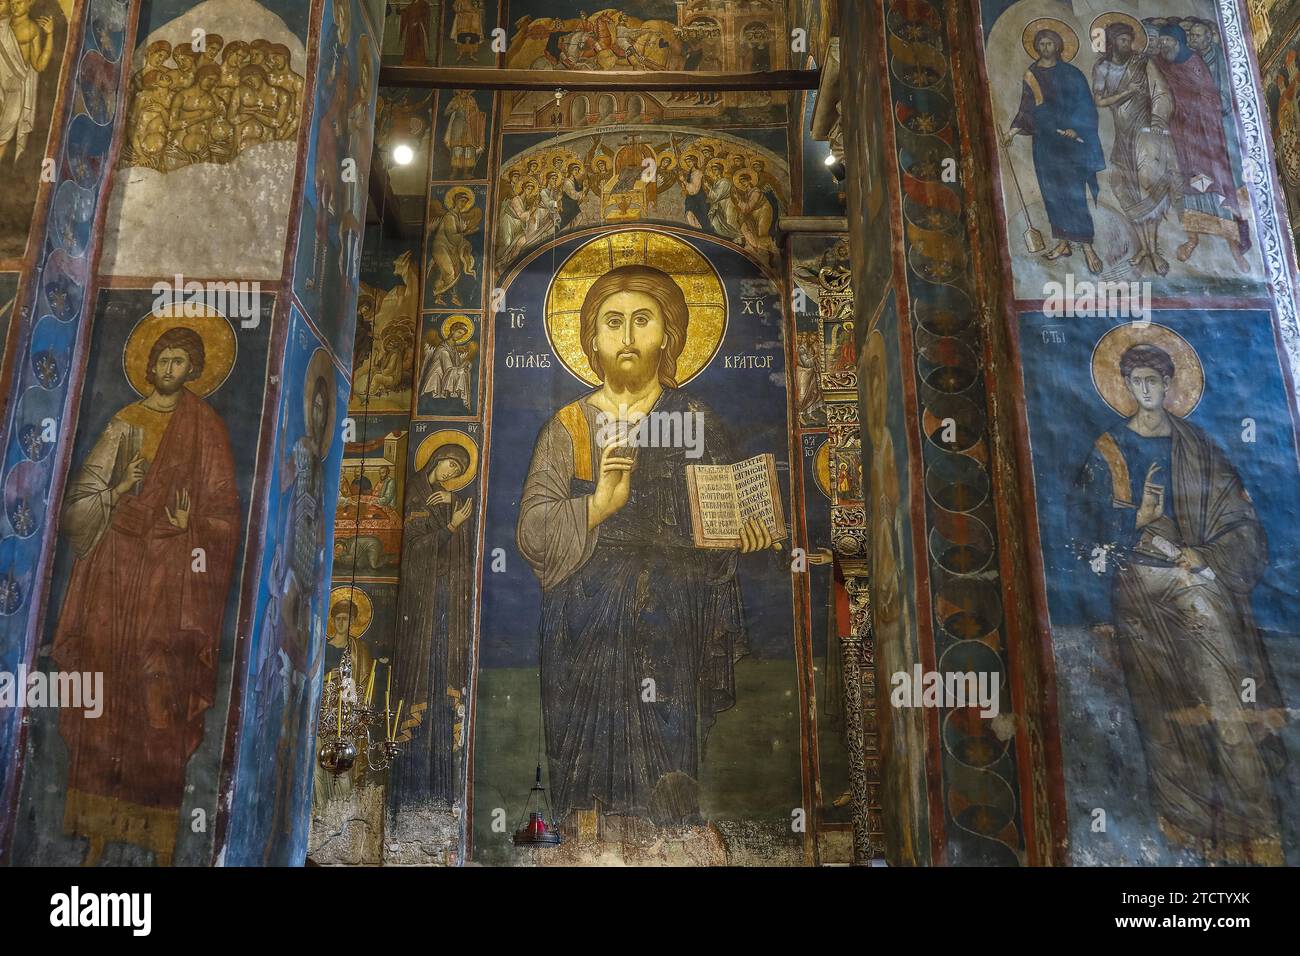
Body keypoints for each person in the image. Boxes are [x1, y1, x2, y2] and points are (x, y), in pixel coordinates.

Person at [516, 264, 776, 826]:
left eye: (642, 321)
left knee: (667, 731)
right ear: (591, 340)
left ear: (670, 336)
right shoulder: (569, 428)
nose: (628, 337)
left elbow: (718, 526)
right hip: (583, 617)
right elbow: (534, 532)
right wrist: (598, 506)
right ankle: (585, 842)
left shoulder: (697, 421)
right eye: (613, 322)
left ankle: (670, 841)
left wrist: (739, 539)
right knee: (585, 754)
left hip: (672, 614)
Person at [1075, 342, 1285, 864]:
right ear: (1126, 385)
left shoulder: (1199, 447)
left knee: (1226, 704)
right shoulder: (1108, 450)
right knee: (1161, 712)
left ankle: (1257, 829)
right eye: (1137, 382)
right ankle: (1190, 830)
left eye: (1154, 381)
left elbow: (1242, 524)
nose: (1146, 391)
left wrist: (1202, 554)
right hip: (1138, 592)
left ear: (1170, 385)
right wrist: (1137, 523)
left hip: (1198, 589)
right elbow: (1080, 538)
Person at [51, 326, 239, 866]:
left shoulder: (205, 429)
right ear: (150, 363)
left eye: (181, 362)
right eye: (164, 358)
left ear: (194, 370)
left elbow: (224, 518)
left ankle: (158, 840)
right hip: (113, 570)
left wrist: (191, 526)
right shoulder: (125, 422)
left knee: (159, 695)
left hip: (170, 578)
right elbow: (77, 509)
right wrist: (116, 489)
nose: (170, 368)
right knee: (104, 693)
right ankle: (95, 835)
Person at [388, 442, 475, 812]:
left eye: (457, 470)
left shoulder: (451, 500)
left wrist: (458, 527)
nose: (451, 474)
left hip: (446, 599)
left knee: (442, 675)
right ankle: (406, 780)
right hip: (420, 601)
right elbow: (415, 550)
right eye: (449, 465)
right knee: (419, 670)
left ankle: (440, 790)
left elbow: (462, 556)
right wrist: (450, 527)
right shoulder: (419, 494)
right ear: (436, 460)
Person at [1004, 26, 1105, 274]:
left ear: (1059, 46)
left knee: (1073, 192)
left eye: (1049, 43)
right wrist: (1012, 132)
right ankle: (1063, 242)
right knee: (1051, 192)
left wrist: (1075, 128)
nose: (1044, 48)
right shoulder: (1032, 74)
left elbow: (1085, 105)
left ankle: (1086, 246)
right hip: (1045, 142)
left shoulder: (1072, 73)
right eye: (1041, 44)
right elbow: (1026, 107)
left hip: (1069, 144)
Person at [1152, 22, 1251, 270]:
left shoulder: (1193, 63)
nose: (1164, 46)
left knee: (1212, 185)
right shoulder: (1163, 63)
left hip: (1202, 138)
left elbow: (1209, 96)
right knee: (1189, 186)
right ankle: (1192, 238)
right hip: (1182, 137)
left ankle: (1233, 247)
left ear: (1179, 42)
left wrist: (1193, 115)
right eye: (1161, 42)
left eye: (1168, 42)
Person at [1090, 18, 1178, 275]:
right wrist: (1127, 92)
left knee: (1149, 184)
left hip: (1146, 133)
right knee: (1126, 188)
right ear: (1112, 43)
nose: (1127, 44)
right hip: (1122, 135)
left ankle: (1152, 251)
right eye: (1122, 40)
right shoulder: (1103, 67)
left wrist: (1158, 120)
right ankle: (1146, 249)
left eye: (1129, 40)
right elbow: (1100, 100)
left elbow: (1160, 91)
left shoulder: (1143, 63)